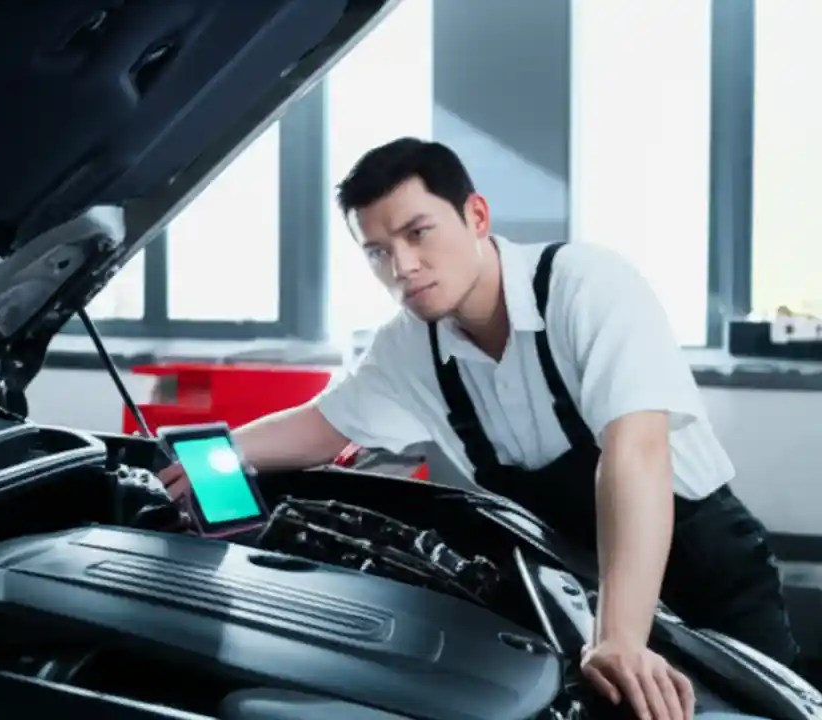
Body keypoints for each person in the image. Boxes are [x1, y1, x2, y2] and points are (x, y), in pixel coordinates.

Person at [161, 138, 800, 720]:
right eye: (377, 252)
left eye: (418, 233)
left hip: (704, 567)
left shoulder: (585, 286)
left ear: (476, 216)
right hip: (582, 581)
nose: (402, 266)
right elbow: (325, 427)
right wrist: (215, 456)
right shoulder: (408, 345)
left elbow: (636, 455)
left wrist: (620, 637)